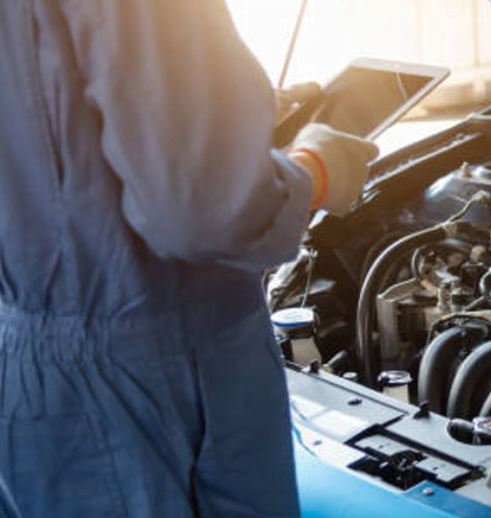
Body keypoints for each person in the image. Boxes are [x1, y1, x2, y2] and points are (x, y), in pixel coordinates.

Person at [0, 0, 376, 516]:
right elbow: (201, 209)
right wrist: (316, 169)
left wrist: (220, 119)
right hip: (153, 381)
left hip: (27, 368)